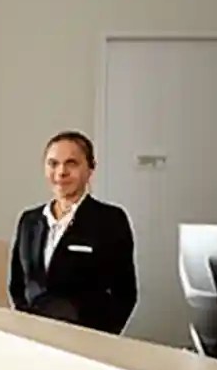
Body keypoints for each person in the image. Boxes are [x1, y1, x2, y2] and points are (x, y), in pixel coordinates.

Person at [8, 130, 138, 334]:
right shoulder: (29, 221)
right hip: (35, 338)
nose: (61, 172)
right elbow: (18, 285)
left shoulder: (110, 220)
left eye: (71, 163)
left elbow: (124, 293)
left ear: (90, 169)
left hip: (85, 340)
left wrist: (102, 339)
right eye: (53, 163)